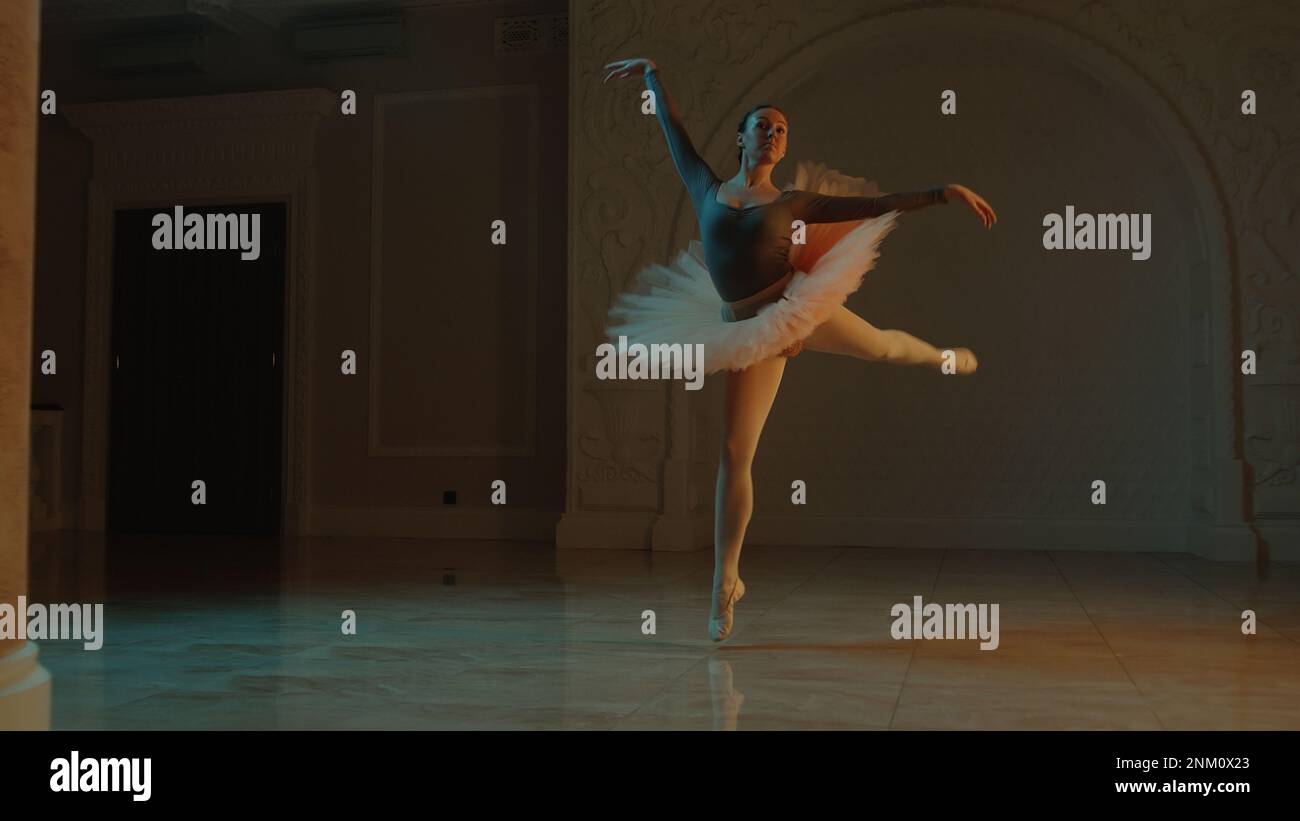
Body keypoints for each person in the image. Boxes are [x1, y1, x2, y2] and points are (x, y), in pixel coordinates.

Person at [602, 58, 998, 641]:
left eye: (782, 129)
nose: (772, 134)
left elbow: (875, 206)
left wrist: (945, 192)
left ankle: (941, 355)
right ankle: (725, 583)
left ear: (784, 147)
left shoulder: (795, 203)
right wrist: (654, 76)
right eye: (763, 125)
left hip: (794, 308)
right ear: (742, 137)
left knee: (883, 349)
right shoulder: (706, 187)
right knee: (735, 453)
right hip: (747, 329)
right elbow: (674, 132)